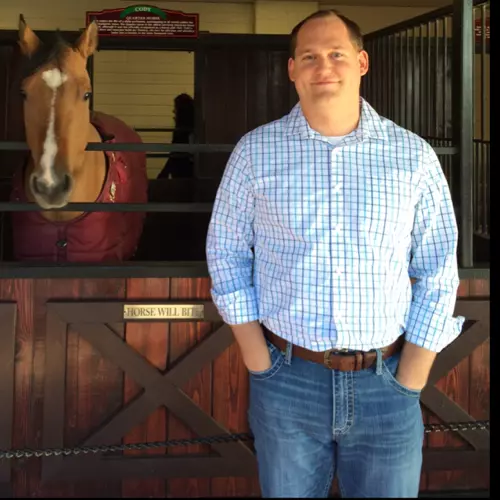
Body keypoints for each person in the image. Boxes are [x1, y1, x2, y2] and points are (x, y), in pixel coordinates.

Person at [206, 9, 464, 498]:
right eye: (309, 56)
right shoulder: (254, 153)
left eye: (336, 54)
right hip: (286, 381)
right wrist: (258, 362)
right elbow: (226, 253)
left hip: (387, 386)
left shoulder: (412, 157)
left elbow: (437, 271)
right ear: (292, 69)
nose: (323, 65)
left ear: (362, 62)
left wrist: (409, 379)